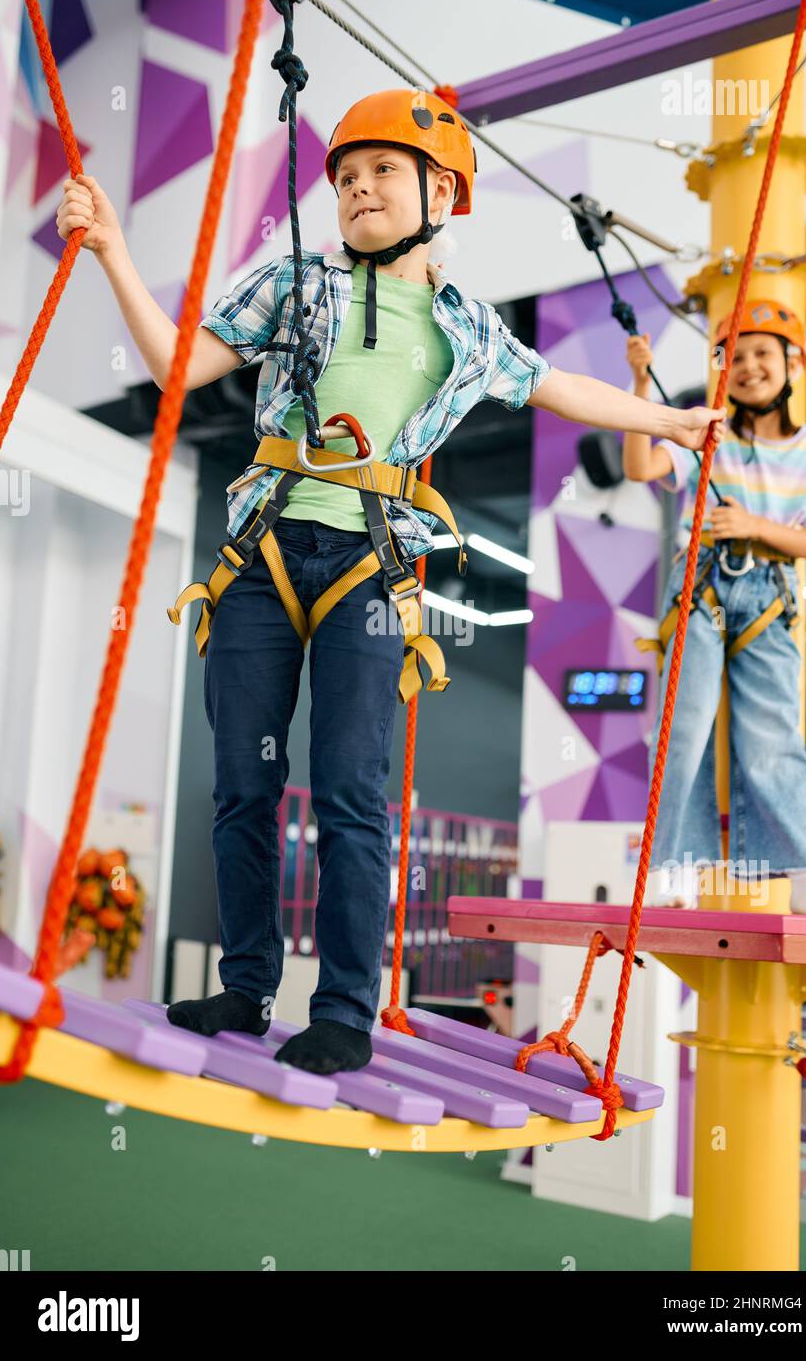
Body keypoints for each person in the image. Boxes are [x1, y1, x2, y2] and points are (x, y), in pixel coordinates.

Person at [56, 88, 724, 1074]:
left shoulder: (464, 324)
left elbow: (558, 385)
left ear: (443, 191)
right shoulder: (295, 283)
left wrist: (663, 422)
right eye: (346, 178)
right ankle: (245, 989)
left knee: (353, 796)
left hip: (371, 562)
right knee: (243, 784)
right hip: (264, 553)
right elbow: (172, 365)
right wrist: (114, 247)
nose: (358, 189)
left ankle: (343, 1010)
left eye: (381, 173)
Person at [622, 299, 806, 915]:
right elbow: (639, 464)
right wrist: (643, 386)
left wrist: (751, 522)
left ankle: (804, 872)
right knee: (684, 727)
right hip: (701, 589)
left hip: (771, 596)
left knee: (774, 734)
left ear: (793, 363)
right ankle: (672, 866)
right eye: (736, 357)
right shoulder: (705, 433)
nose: (749, 367)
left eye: (763, 355)